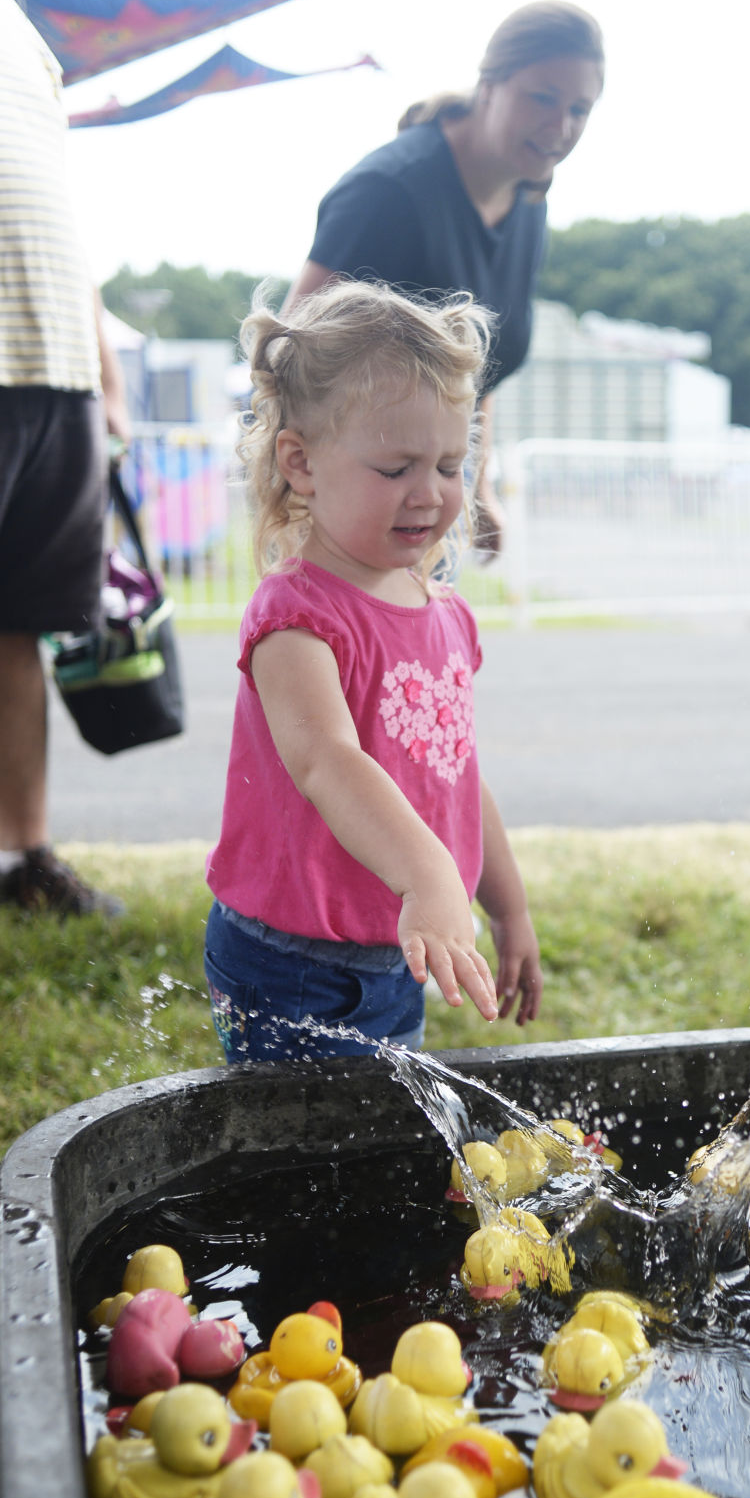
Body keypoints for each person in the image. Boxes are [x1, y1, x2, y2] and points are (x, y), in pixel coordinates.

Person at [203, 279, 543, 1062]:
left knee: (377, 1150)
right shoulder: (297, 615)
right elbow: (327, 760)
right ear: (302, 462)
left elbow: (456, 774)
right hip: (291, 959)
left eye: (450, 465)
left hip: (397, 948)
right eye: (395, 468)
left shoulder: (444, 613)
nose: (429, 494)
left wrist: (507, 908)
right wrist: (430, 874)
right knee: (299, 1158)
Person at [284, 0, 604, 558]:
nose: (562, 127)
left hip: (430, 521)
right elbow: (285, 357)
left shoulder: (528, 203)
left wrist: (477, 493)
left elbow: (476, 374)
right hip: (352, 528)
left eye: (581, 108)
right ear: (490, 83)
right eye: (543, 98)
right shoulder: (390, 190)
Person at [0, 0, 130, 916]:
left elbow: (53, 196)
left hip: (50, 364)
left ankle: (19, 865)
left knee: (11, 626)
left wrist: (103, 372)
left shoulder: (12, 15)